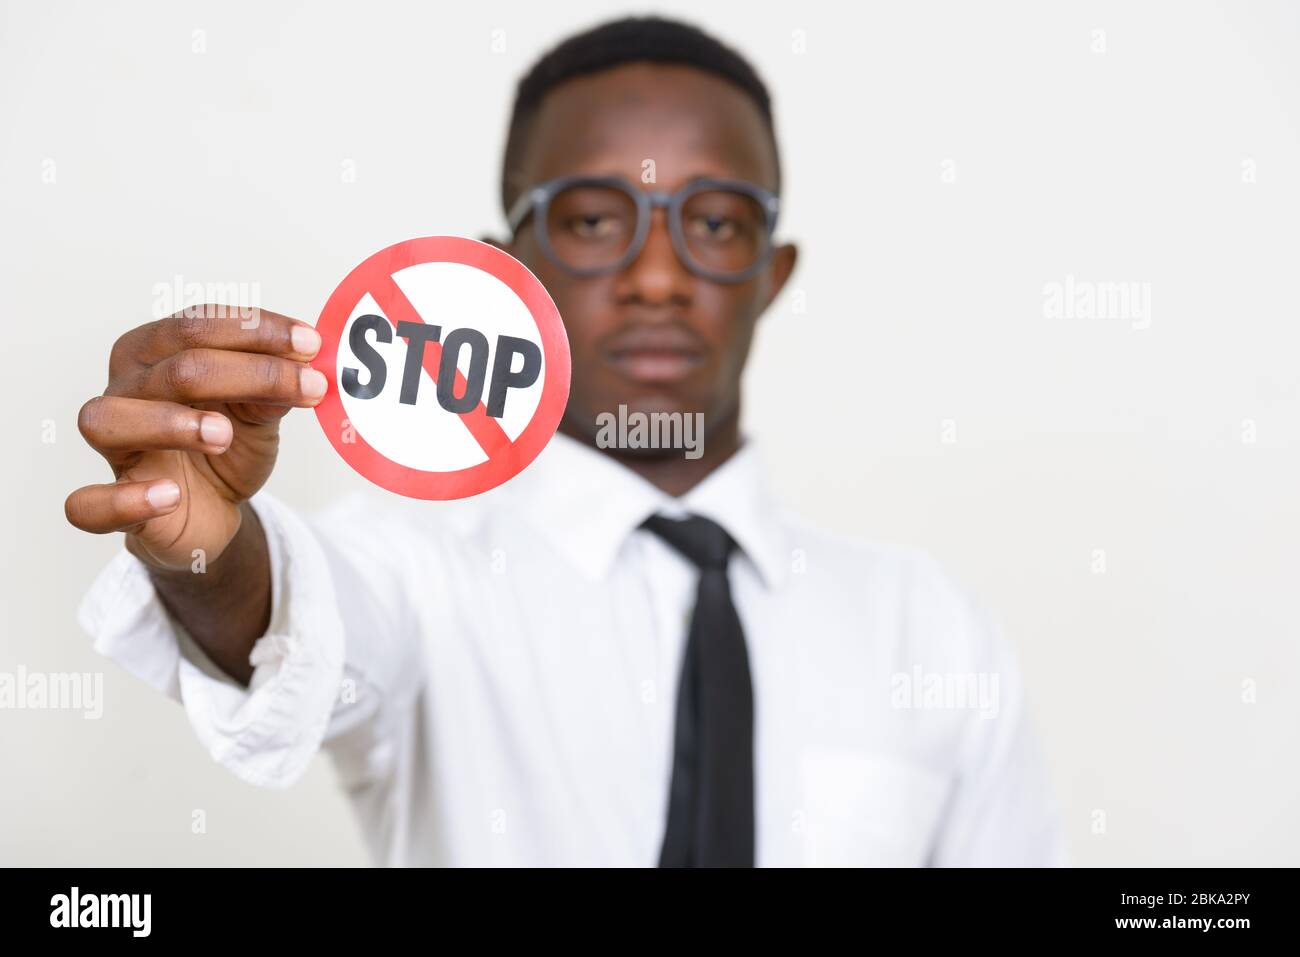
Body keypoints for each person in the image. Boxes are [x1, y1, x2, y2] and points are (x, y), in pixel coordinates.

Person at [66, 16, 1066, 867]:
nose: (659, 277)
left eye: (715, 224)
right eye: (594, 220)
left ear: (771, 272)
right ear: (509, 272)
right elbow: (298, 620)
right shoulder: (419, 565)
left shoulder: (928, 631)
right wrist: (208, 549)